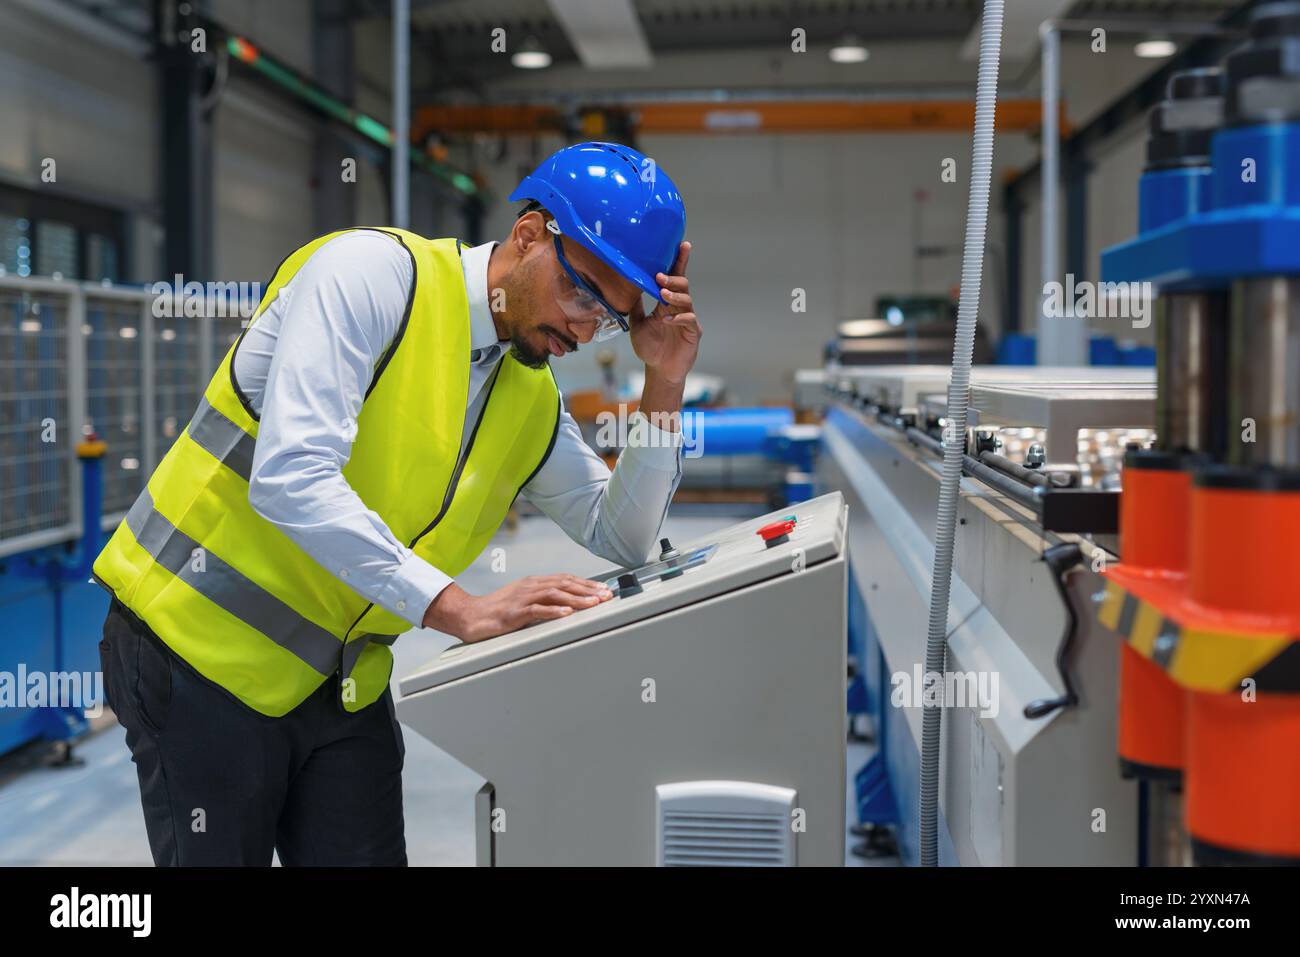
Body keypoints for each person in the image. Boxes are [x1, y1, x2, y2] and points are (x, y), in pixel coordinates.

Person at [93, 141, 698, 865]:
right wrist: (458, 608)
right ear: (531, 235)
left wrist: (663, 379)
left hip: (339, 682)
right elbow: (292, 475)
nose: (583, 328)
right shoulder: (371, 277)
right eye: (582, 295)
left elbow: (623, 536)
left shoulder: (527, 395)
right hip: (193, 653)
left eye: (610, 319)